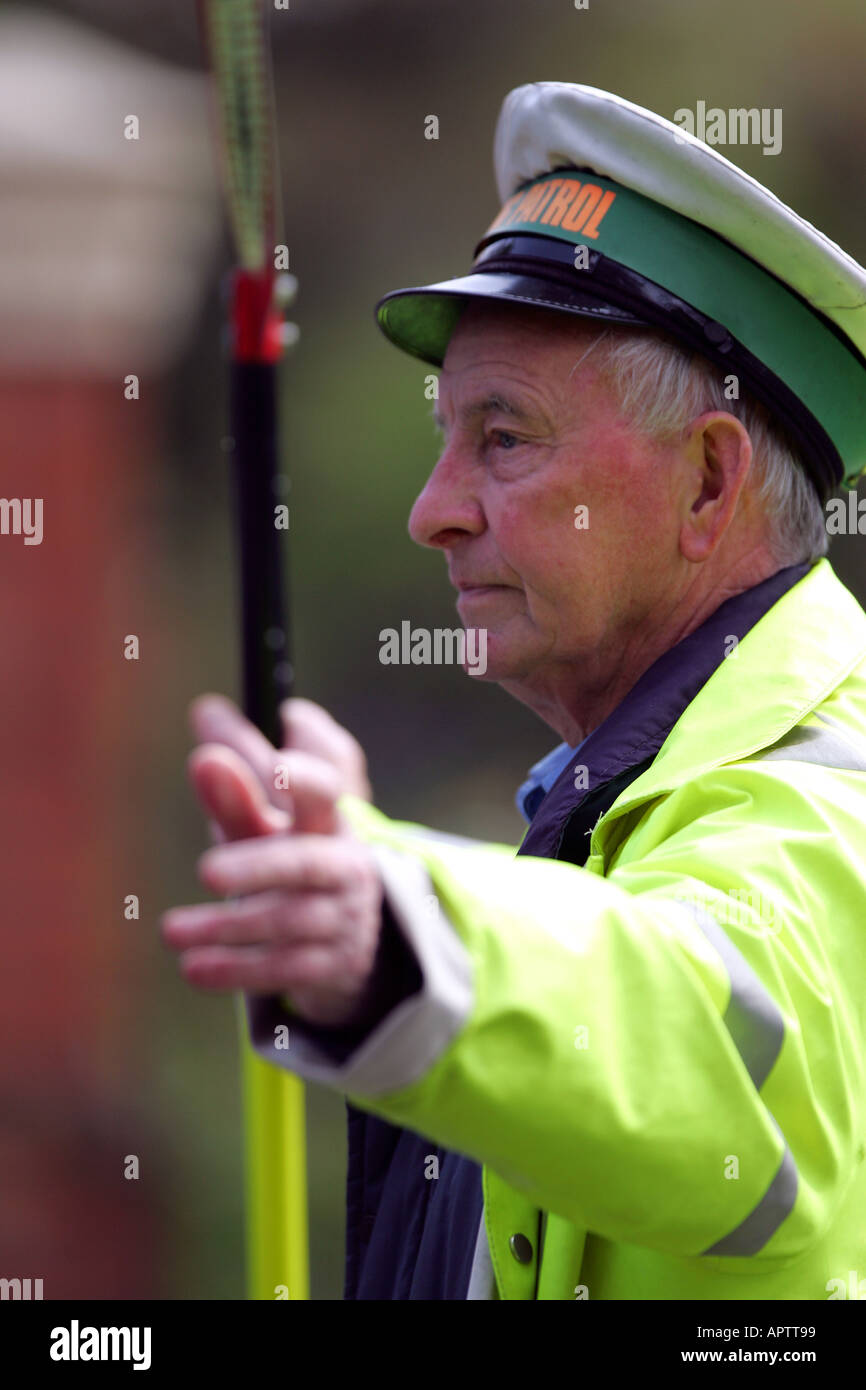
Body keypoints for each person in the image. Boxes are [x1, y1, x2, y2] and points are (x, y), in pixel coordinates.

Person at [161, 82, 866, 1299]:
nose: (431, 511)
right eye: (444, 437)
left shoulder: (816, 808)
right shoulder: (614, 806)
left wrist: (395, 924)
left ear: (708, 482)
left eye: (503, 437)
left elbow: (696, 1029)